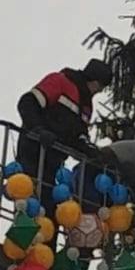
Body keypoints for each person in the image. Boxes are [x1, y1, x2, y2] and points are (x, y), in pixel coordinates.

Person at [13, 59, 112, 196]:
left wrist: (92, 152)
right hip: (33, 151)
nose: (97, 92)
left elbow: (79, 136)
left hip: (54, 163)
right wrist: (38, 129)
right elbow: (27, 103)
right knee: (28, 196)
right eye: (99, 88)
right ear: (95, 82)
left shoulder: (86, 106)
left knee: (47, 204)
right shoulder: (60, 81)